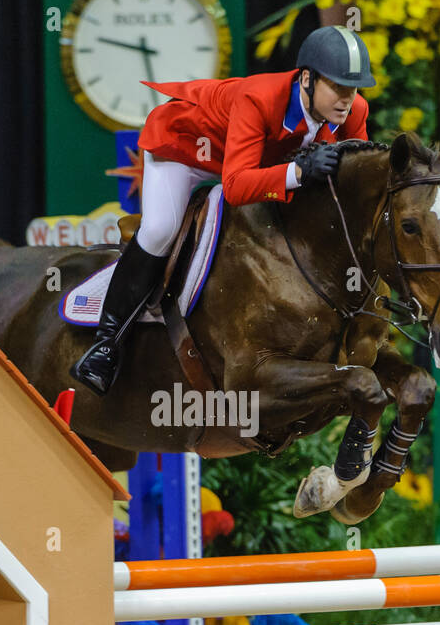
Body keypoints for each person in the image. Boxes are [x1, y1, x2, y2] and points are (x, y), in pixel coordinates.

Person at [71, 25, 376, 396]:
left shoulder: (354, 111)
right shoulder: (258, 99)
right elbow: (234, 186)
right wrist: (298, 172)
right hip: (186, 149)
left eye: (354, 88)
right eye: (338, 87)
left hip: (249, 161)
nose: (347, 99)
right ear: (307, 80)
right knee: (159, 230)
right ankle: (106, 345)